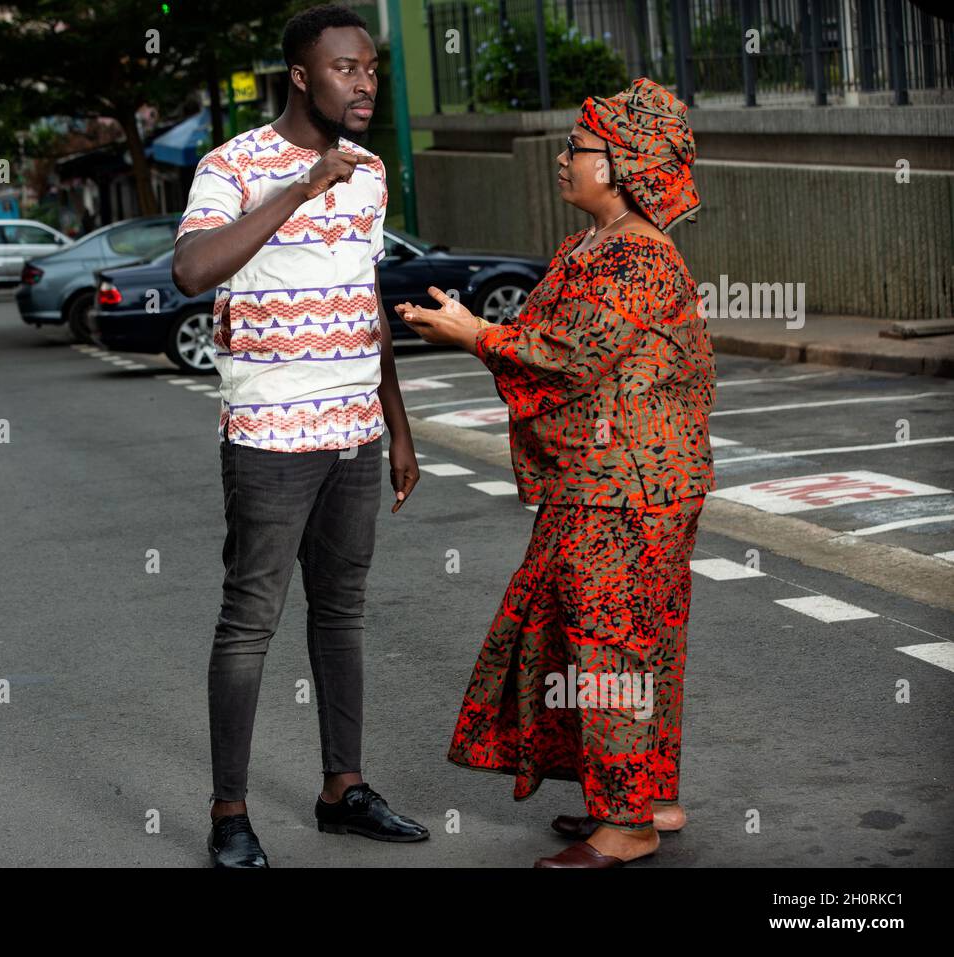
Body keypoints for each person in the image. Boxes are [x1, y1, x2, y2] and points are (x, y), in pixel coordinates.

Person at [395, 76, 715, 868]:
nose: (564, 161)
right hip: (606, 483)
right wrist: (474, 326)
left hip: (629, 489)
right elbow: (544, 333)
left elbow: (569, 358)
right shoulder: (591, 246)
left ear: (618, 165)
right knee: (634, 643)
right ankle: (649, 799)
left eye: (578, 148)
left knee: (611, 648)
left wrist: (473, 336)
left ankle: (627, 824)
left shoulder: (638, 255)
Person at [171, 3, 427, 869]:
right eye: (346, 68)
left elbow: (367, 301)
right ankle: (230, 813)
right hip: (270, 436)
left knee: (343, 614)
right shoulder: (232, 165)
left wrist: (398, 427)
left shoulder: (372, 172)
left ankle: (342, 788)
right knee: (249, 623)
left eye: (371, 68)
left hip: (355, 429)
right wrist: (297, 190)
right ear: (300, 76)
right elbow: (192, 269)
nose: (364, 82)